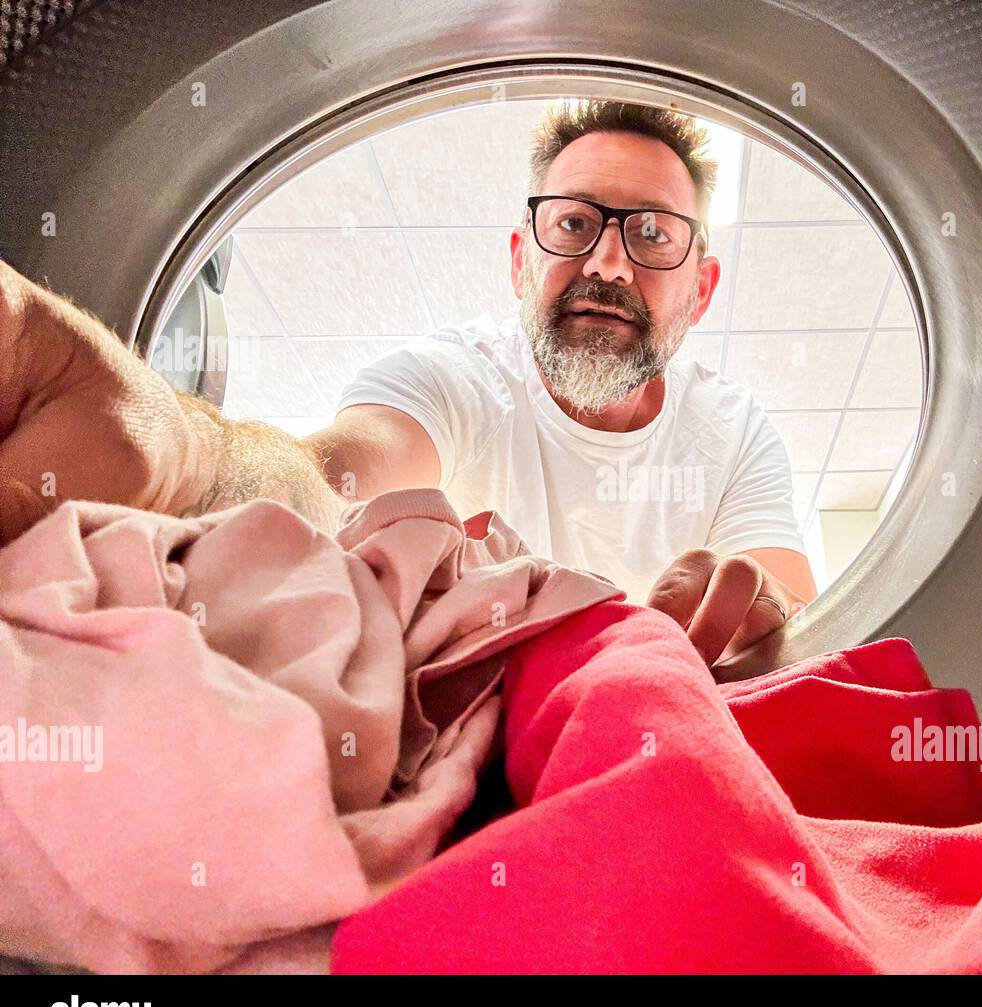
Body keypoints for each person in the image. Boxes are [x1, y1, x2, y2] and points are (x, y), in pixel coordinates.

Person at [0, 99, 817, 666]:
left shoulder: (736, 435)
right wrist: (184, 456)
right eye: (573, 223)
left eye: (650, 233)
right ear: (519, 260)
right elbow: (323, 479)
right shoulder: (456, 378)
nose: (607, 263)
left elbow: (797, 619)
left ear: (701, 288)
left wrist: (739, 619)